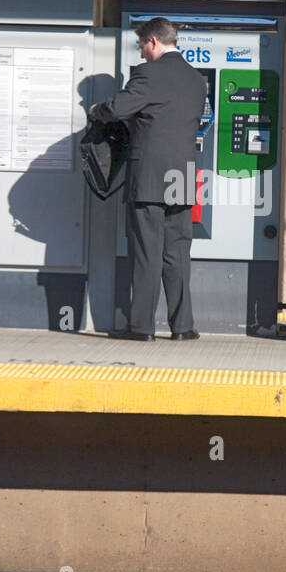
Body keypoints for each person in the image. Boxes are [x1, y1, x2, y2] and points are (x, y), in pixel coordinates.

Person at [88, 17, 206, 341]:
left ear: (153, 41)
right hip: (181, 176)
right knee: (178, 253)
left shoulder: (148, 75)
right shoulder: (196, 80)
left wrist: (97, 109)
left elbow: (118, 108)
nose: (140, 52)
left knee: (146, 252)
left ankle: (141, 328)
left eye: (141, 45)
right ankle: (183, 327)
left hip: (150, 177)